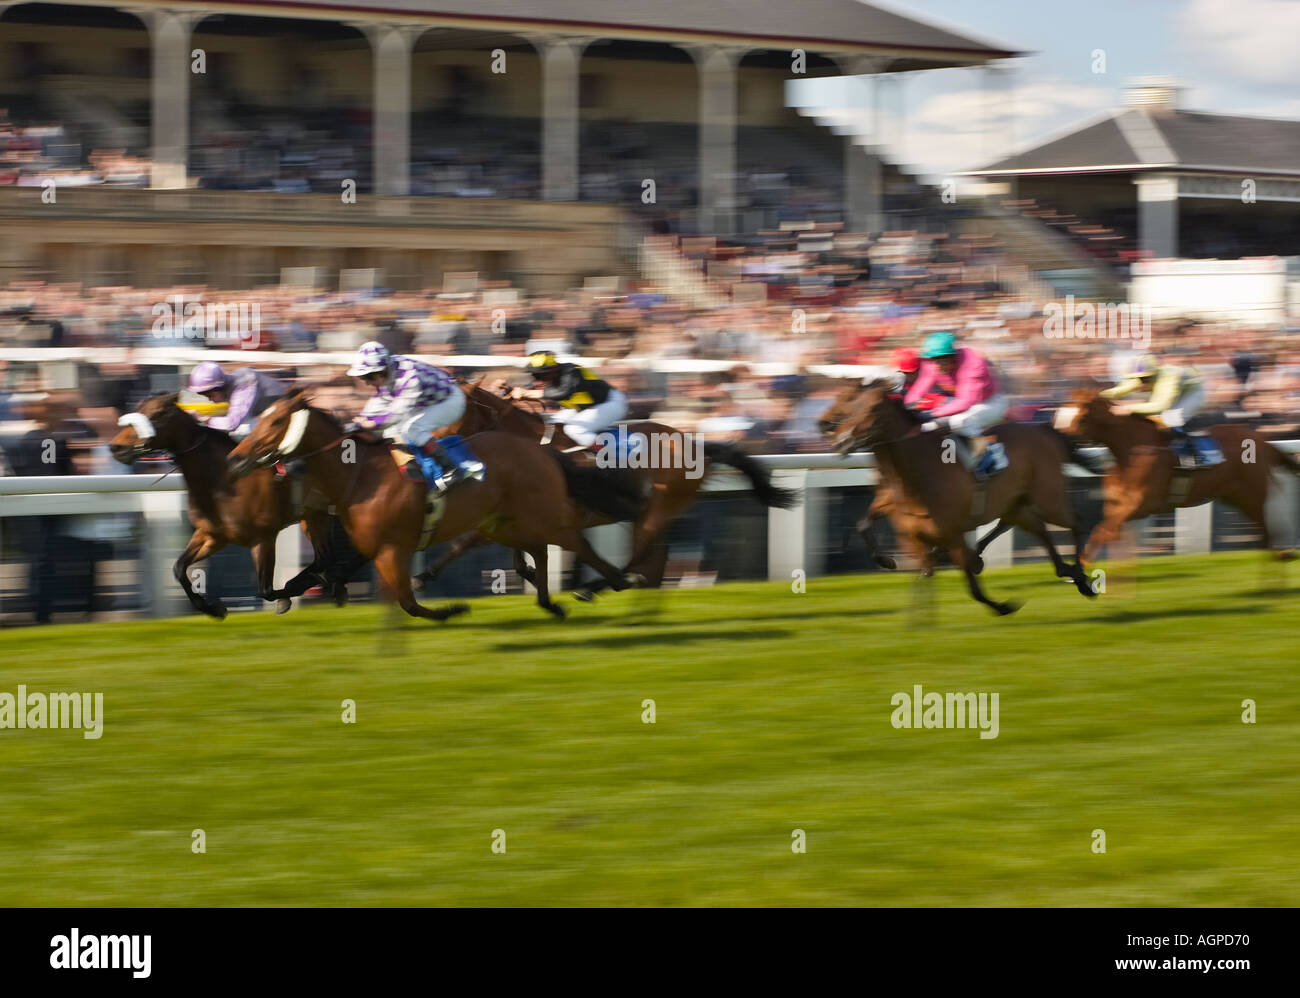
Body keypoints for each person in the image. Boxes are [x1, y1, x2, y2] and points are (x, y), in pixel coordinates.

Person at [345, 341, 483, 490]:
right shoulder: (389, 372)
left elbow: (395, 414)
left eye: (369, 376)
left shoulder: (409, 377)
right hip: (426, 401)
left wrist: (371, 424)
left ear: (384, 370)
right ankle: (411, 463)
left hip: (449, 401)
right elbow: (379, 402)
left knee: (412, 428)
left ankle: (451, 469)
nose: (367, 382)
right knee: (391, 430)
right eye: (363, 377)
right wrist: (360, 420)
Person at [904, 331, 1009, 480]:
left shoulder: (972, 363)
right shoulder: (931, 364)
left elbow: (965, 401)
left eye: (943, 360)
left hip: (990, 402)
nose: (938, 366)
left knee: (958, 422)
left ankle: (994, 453)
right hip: (962, 400)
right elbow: (919, 388)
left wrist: (933, 414)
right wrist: (909, 404)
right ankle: (950, 460)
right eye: (935, 361)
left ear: (953, 356)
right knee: (935, 424)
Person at [1100, 353, 1206, 467]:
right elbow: (1118, 390)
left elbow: (1161, 406)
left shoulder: (1168, 379)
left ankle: (1191, 455)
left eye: (1145, 379)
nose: (1140, 382)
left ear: (1154, 374)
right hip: (1171, 391)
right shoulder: (1139, 377)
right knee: (1147, 417)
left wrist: (1127, 408)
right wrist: (1097, 397)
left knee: (1170, 419)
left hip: (1190, 394)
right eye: (1138, 379)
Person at [510, 350, 629, 449]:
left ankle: (610, 454)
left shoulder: (572, 371)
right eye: (534, 375)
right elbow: (528, 390)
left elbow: (563, 392)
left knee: (574, 429)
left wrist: (526, 393)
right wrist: (509, 390)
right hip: (584, 408)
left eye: (540, 375)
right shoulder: (549, 378)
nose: (537, 380)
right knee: (551, 425)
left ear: (553, 370)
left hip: (611, 403)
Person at [186, 361, 286, 439]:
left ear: (220, 387)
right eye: (203, 395)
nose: (209, 399)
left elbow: (232, 424)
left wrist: (203, 418)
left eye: (209, 395)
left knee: (239, 433)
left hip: (282, 416)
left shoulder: (243, 387)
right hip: (265, 412)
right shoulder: (229, 385)